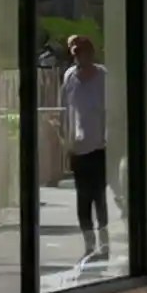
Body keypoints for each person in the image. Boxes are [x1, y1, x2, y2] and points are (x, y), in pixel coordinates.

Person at [61, 35, 111, 263]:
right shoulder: (70, 78)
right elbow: (66, 110)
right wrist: (65, 140)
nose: (79, 59)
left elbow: (112, 109)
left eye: (82, 53)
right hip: (78, 147)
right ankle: (89, 245)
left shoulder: (103, 77)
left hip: (99, 146)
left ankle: (104, 244)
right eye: (75, 54)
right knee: (83, 200)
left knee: (99, 197)